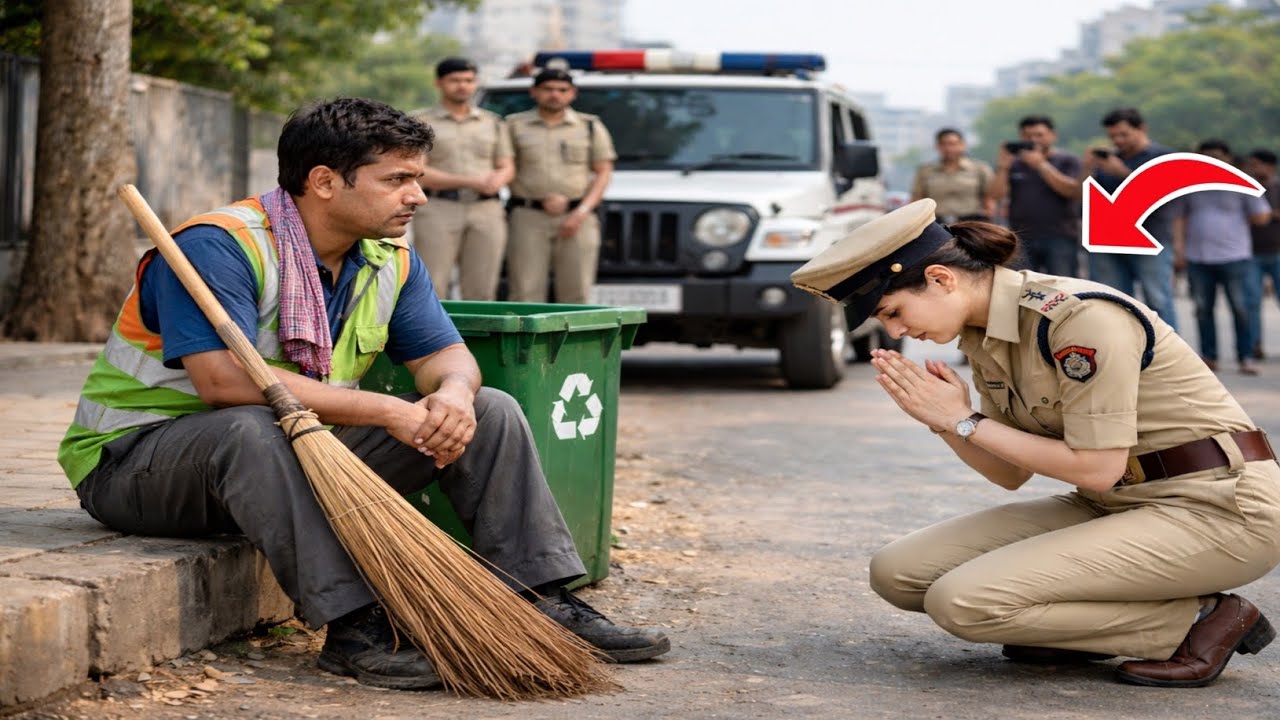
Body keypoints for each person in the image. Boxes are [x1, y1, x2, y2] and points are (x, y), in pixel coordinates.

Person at [59, 97, 669, 692]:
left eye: (419, 178)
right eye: (397, 178)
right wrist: (389, 410)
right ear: (325, 181)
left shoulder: (388, 257)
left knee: (491, 410)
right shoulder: (218, 246)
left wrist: (453, 393)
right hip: (137, 466)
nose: (418, 196)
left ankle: (542, 598)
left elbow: (443, 355)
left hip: (288, 458)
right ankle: (356, 630)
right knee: (249, 428)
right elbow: (228, 383)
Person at [791, 198, 1280, 688]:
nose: (896, 331)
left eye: (893, 311)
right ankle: (1082, 630)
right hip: (1116, 503)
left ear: (942, 279)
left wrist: (963, 420)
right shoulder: (983, 335)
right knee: (898, 572)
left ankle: (1199, 621)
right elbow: (1009, 474)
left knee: (963, 601)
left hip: (1218, 507)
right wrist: (941, 421)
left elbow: (1095, 468)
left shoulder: (1079, 320)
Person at [505, 68, 616, 304]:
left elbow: (603, 171)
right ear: (534, 92)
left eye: (562, 90)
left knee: (577, 292)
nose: (555, 95)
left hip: (578, 217)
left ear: (572, 93)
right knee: (525, 292)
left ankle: (573, 342)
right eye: (548, 89)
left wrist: (582, 211)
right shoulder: (514, 125)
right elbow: (503, 165)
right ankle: (529, 342)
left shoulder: (589, 126)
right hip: (528, 215)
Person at [411, 57, 515, 301]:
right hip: (438, 209)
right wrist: (471, 181)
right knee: (433, 285)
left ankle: (477, 339)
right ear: (439, 83)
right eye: (455, 80)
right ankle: (437, 339)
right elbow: (418, 170)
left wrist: (498, 179)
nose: (462, 86)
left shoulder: (493, 123)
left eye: (468, 81)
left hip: (486, 209)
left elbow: (507, 165)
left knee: (482, 288)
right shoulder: (420, 122)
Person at [1170, 140, 1271, 375]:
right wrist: (1179, 248)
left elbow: (1262, 216)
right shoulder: (1190, 184)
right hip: (1198, 257)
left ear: (1227, 158)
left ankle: (1244, 356)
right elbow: (1179, 218)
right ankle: (1208, 356)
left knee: (1240, 308)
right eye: (1205, 156)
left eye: (1216, 156)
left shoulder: (1240, 183)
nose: (1211, 160)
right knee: (1203, 309)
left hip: (1234, 257)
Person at [1082, 107, 1179, 331]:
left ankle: (1171, 358)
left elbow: (1165, 196)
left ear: (1142, 128)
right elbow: (1082, 195)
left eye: (1123, 134)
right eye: (1113, 136)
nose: (1118, 140)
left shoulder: (1163, 156)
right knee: (1114, 301)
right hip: (1108, 239)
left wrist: (1124, 173)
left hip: (1151, 238)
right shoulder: (1107, 160)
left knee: (1158, 301)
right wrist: (1087, 167)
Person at [986, 115, 1082, 277]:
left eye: (1039, 135)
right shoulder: (1014, 164)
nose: (1033, 140)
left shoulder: (1068, 160)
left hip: (1060, 235)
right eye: (1027, 136)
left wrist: (1041, 165)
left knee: (1063, 286)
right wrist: (1003, 167)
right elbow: (995, 195)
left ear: (1053, 135)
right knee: (1023, 287)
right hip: (1021, 236)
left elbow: (1071, 191)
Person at [910, 128, 993, 223]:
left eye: (953, 144)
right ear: (937, 146)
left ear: (962, 145)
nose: (949, 149)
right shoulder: (925, 171)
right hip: (936, 223)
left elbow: (989, 198)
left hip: (970, 222)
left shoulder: (980, 169)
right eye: (944, 144)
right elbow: (917, 199)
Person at [1245, 148, 1280, 360]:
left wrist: (1268, 215)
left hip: (1277, 251)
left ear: (1269, 166)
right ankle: (1254, 344)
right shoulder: (1248, 188)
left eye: (1256, 164)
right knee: (1251, 302)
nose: (1252, 168)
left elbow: (1261, 217)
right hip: (1251, 253)